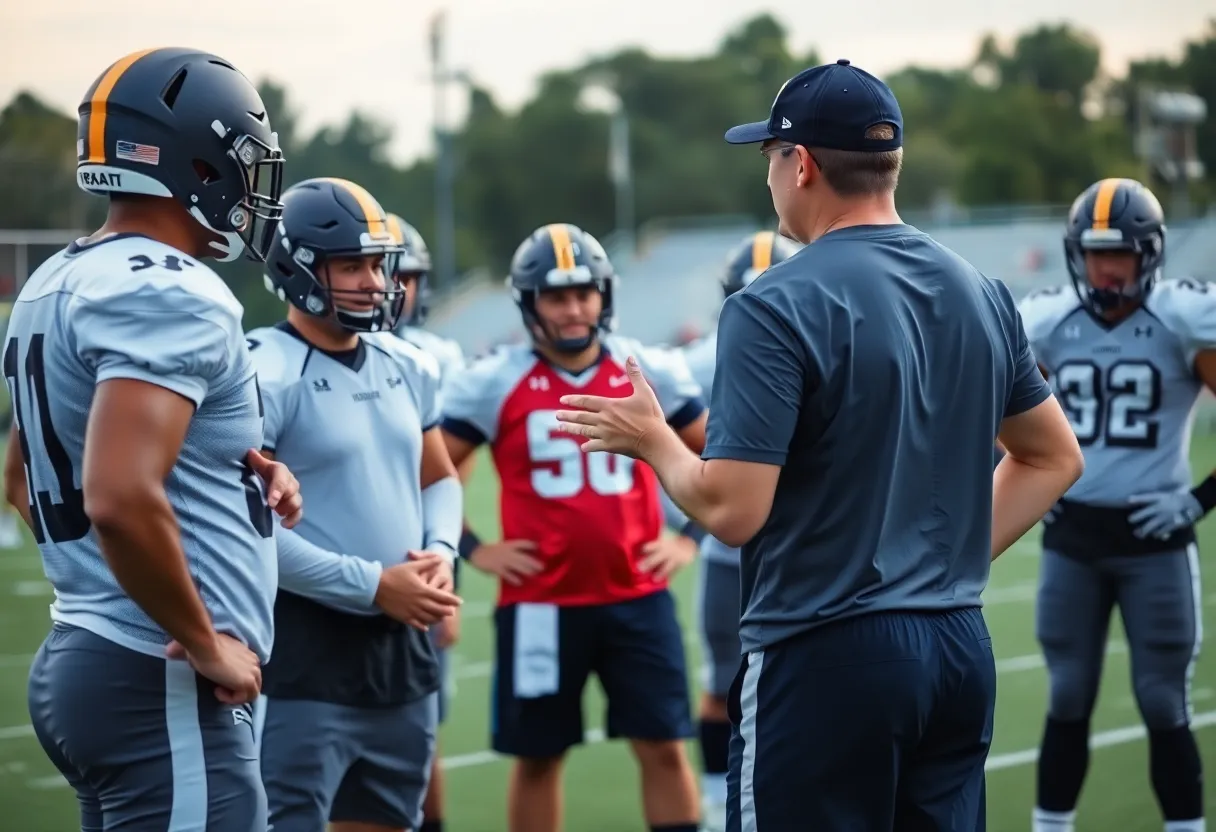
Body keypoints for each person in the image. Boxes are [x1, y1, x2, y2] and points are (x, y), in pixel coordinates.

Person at [554, 59, 1086, 831]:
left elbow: (733, 511)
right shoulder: (980, 288)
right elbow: (1052, 457)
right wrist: (947, 564)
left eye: (769, 158)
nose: (767, 180)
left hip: (826, 650)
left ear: (799, 164)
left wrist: (655, 440)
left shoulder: (772, 303)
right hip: (957, 647)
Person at [3, 47, 301, 831]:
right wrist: (198, 640)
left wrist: (229, 480)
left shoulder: (58, 279)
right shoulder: (170, 290)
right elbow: (119, 495)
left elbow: (27, 473)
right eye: (242, 163)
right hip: (156, 674)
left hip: (99, 652)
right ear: (197, 163)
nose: (251, 187)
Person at [440, 223, 705, 832]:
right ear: (530, 303)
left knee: (663, 746)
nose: (575, 307)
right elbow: (429, 471)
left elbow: (721, 456)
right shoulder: (494, 381)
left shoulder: (649, 371)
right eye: (557, 296)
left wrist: (687, 537)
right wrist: (475, 548)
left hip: (639, 597)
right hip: (540, 604)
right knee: (537, 760)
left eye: (585, 292)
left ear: (604, 294)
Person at [247, 179, 463, 832]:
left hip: (401, 652)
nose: (373, 281)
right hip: (304, 653)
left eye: (377, 264)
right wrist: (370, 584)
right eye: (351, 265)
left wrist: (444, 553)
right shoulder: (263, 369)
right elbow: (244, 528)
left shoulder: (406, 362)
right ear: (298, 266)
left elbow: (440, 478)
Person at [1020, 178, 1216, 832]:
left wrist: (1198, 500)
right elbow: (1003, 423)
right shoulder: (1046, 321)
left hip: (1154, 539)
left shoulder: (1185, 317)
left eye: (1122, 254)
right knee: (1068, 694)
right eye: (1096, 253)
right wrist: (1026, 483)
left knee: (1163, 703)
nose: (1107, 268)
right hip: (1072, 538)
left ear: (1150, 255)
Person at [680, 229, 799, 832]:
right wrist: (684, 527)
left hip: (807, 548)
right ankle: (708, 799)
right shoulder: (699, 361)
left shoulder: (827, 342)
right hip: (733, 553)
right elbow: (682, 444)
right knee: (721, 679)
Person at [387, 212, 466, 832]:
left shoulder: (430, 357)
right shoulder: (279, 358)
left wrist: (453, 565)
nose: (384, 287)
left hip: (421, 565)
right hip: (335, 571)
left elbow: (447, 476)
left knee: (423, 722)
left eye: (398, 274)